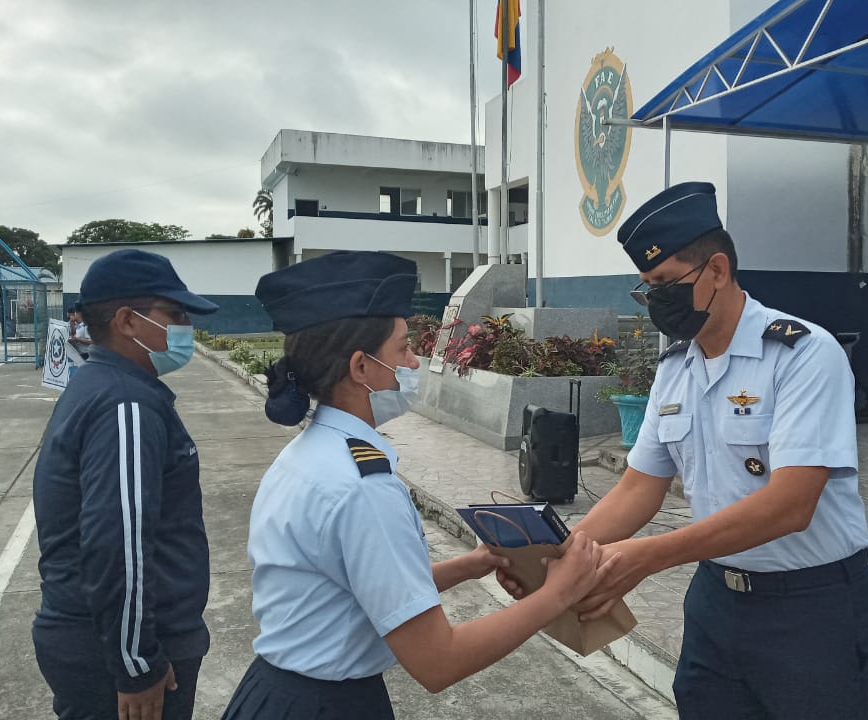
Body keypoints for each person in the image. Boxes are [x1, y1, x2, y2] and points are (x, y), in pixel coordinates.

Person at [221, 250, 611, 720]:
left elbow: (363, 587)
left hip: (278, 694)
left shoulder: (310, 454)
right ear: (360, 367)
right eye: (403, 348)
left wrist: (471, 566)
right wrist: (558, 595)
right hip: (327, 705)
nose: (414, 360)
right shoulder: (362, 487)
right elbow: (437, 661)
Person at [558, 182, 868, 719]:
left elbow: (791, 504)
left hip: (810, 610)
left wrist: (649, 556)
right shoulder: (675, 369)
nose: (655, 300)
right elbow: (639, 486)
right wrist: (565, 550)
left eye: (665, 283)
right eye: (646, 288)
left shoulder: (803, 355)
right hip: (716, 604)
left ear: (717, 270)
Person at [31, 249, 219, 720]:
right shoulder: (125, 404)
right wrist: (136, 664)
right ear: (127, 322)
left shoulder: (102, 385)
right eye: (174, 315)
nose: (184, 327)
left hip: (96, 638)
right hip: (118, 649)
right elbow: (119, 543)